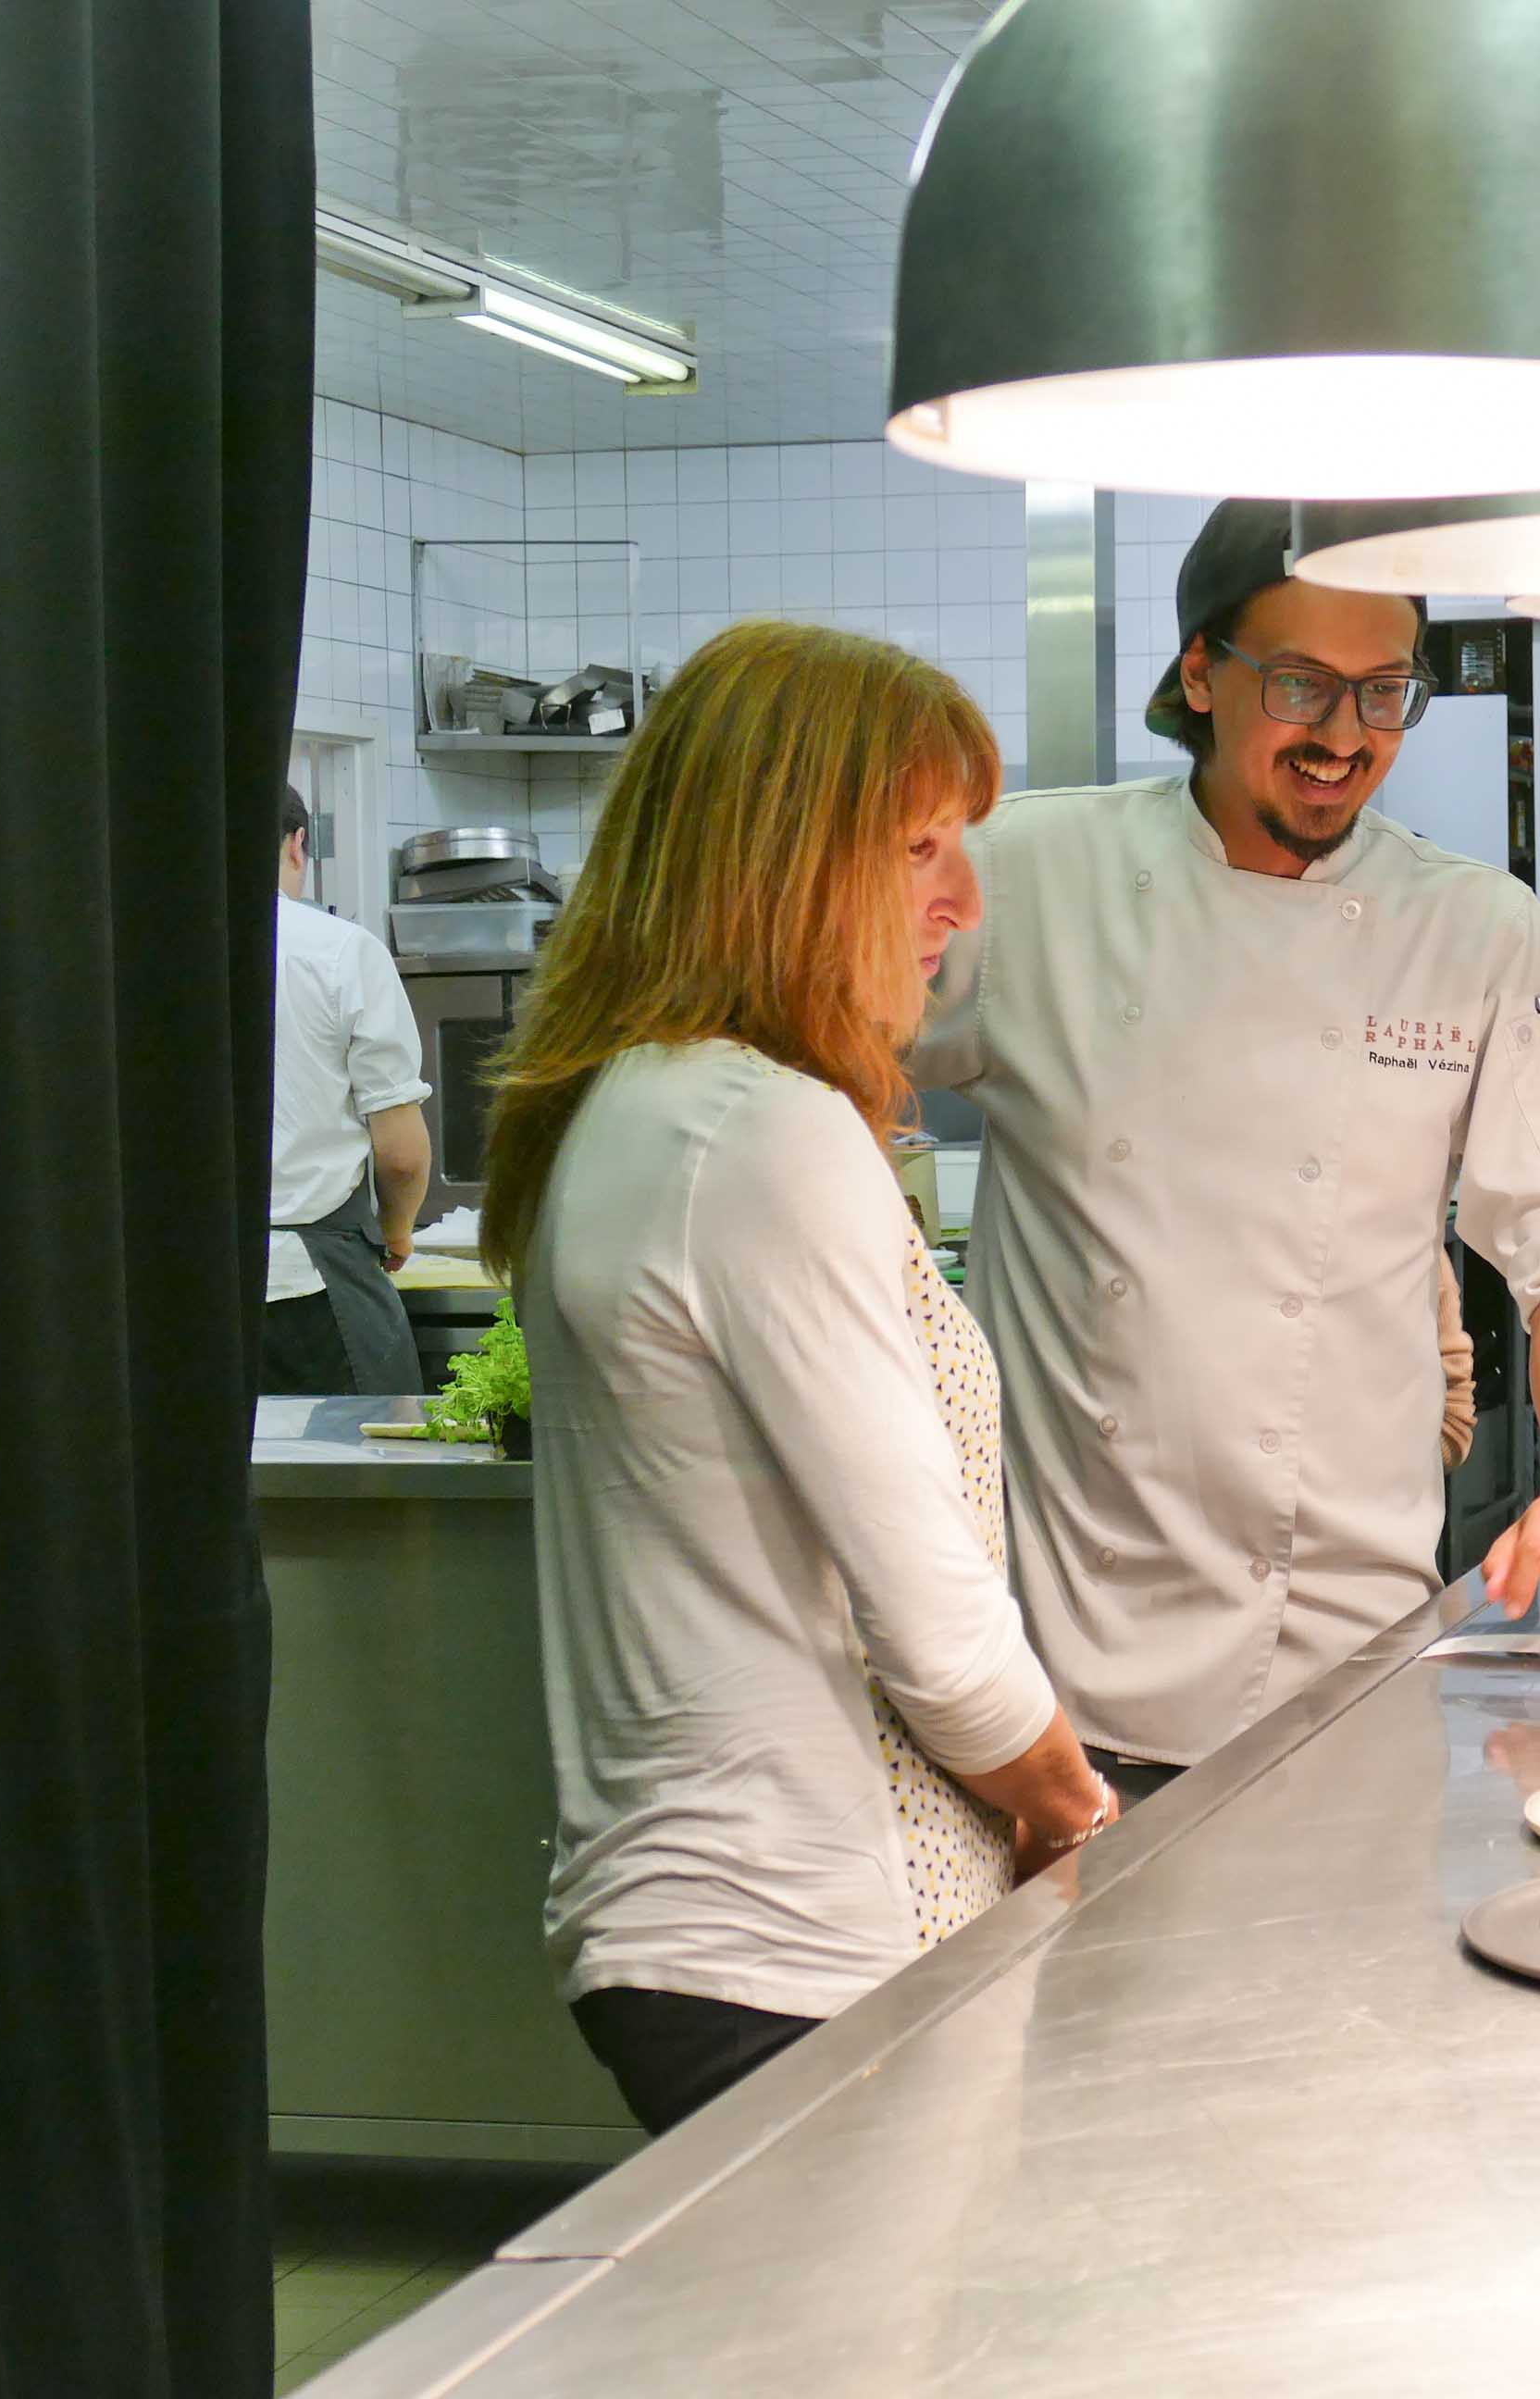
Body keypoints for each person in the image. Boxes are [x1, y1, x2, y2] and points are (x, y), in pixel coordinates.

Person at [915, 501, 1540, 1800]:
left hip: (1356, 1656)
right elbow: (818, 1051)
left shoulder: (1469, 927)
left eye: (1385, 695)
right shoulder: (1030, 876)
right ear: (1201, 673)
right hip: (1067, 1680)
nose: (1344, 739)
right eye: (1304, 687)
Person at [482, 620, 1112, 2136]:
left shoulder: (634, 1102)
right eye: (918, 849)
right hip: (804, 1943)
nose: (959, 903)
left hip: (700, 1937)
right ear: (775, 861)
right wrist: (1074, 1811)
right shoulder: (762, 1132)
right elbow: (936, 1623)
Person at [265, 785, 432, 1394]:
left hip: (156, 1289)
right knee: (352, 1480)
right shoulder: (339, 951)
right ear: (297, 845)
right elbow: (401, 1153)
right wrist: (397, 1229)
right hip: (313, 1290)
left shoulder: (124, 947)